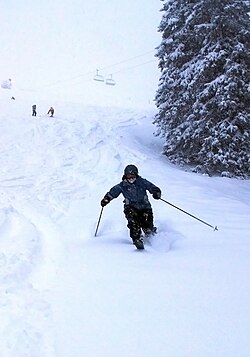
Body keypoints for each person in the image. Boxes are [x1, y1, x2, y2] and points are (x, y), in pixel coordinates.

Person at [100, 164, 161, 249]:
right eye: (128, 175)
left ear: (136, 174)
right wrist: (106, 199)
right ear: (125, 175)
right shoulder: (122, 185)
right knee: (133, 221)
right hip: (131, 207)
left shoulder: (142, 182)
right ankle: (137, 239)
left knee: (147, 225)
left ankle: (151, 233)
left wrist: (156, 193)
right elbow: (112, 193)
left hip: (145, 207)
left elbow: (153, 187)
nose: (130, 178)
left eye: (132, 175)